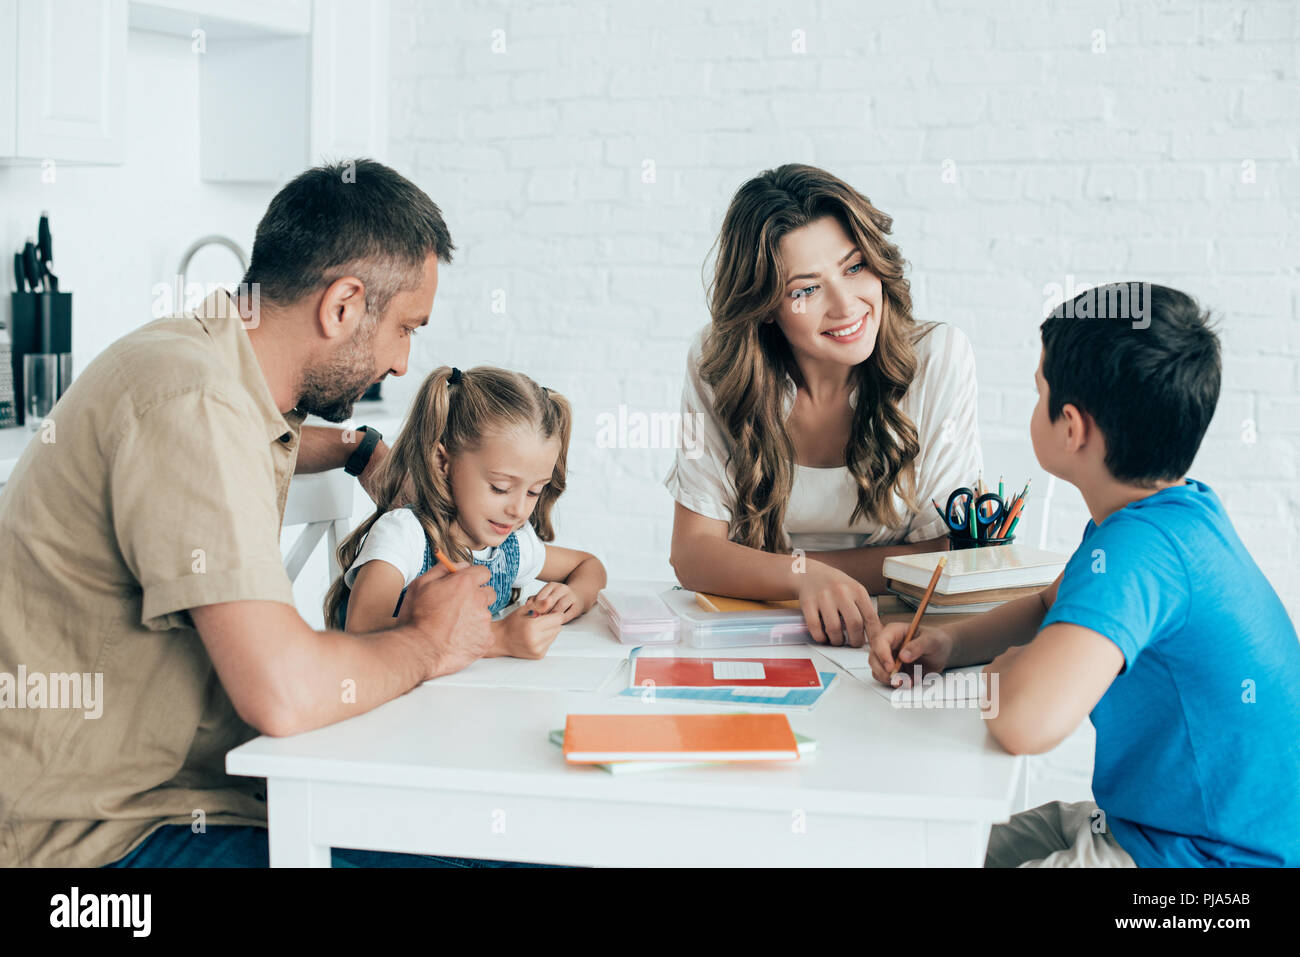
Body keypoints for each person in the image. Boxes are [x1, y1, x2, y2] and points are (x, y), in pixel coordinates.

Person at [0, 159, 518, 867]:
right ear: (341, 306)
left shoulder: (203, 361)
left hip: (195, 795)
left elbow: (248, 433)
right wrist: (431, 640)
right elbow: (283, 692)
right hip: (97, 845)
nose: (403, 364)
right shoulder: (190, 401)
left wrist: (357, 447)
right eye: (404, 328)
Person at [869, 283, 1300, 867]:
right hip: (1146, 830)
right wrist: (949, 644)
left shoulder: (1141, 552)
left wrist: (1004, 676)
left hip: (1206, 866)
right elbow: (1050, 605)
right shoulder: (1169, 515)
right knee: (936, 848)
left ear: (1071, 426)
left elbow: (1024, 722)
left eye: (1038, 391)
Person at [666, 163, 982, 647]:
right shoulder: (717, 362)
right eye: (806, 289)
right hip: (758, 630)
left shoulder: (937, 358)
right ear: (767, 306)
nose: (846, 305)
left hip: (899, 632)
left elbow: (948, 554)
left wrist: (788, 570)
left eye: (855, 267)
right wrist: (801, 576)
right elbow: (691, 556)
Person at [326, 364, 607, 658]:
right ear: (443, 462)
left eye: (534, 491)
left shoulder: (511, 546)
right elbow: (362, 630)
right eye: (499, 488)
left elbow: (589, 566)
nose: (518, 509)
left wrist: (573, 596)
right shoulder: (404, 536)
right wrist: (497, 639)